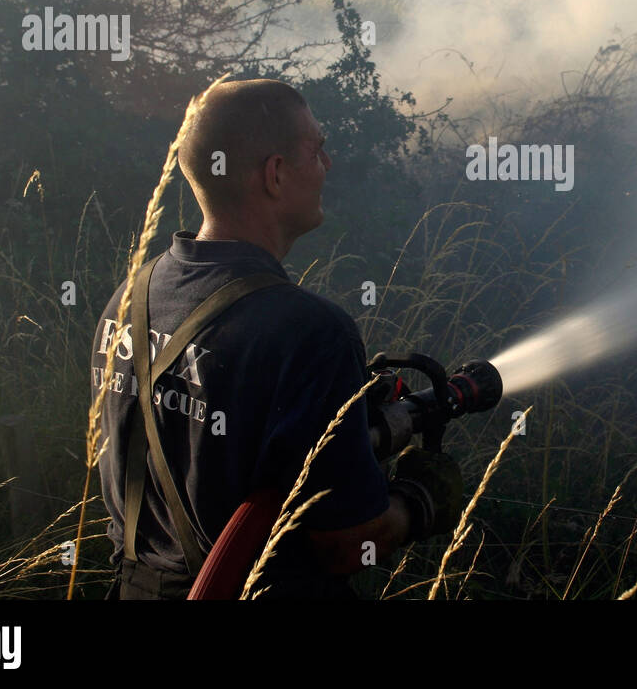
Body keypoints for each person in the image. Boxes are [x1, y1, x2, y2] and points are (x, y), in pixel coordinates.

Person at [90, 78, 462, 599]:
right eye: (317, 150)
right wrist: (420, 500)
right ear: (276, 173)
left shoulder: (131, 297)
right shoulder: (310, 332)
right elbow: (347, 544)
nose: (328, 166)